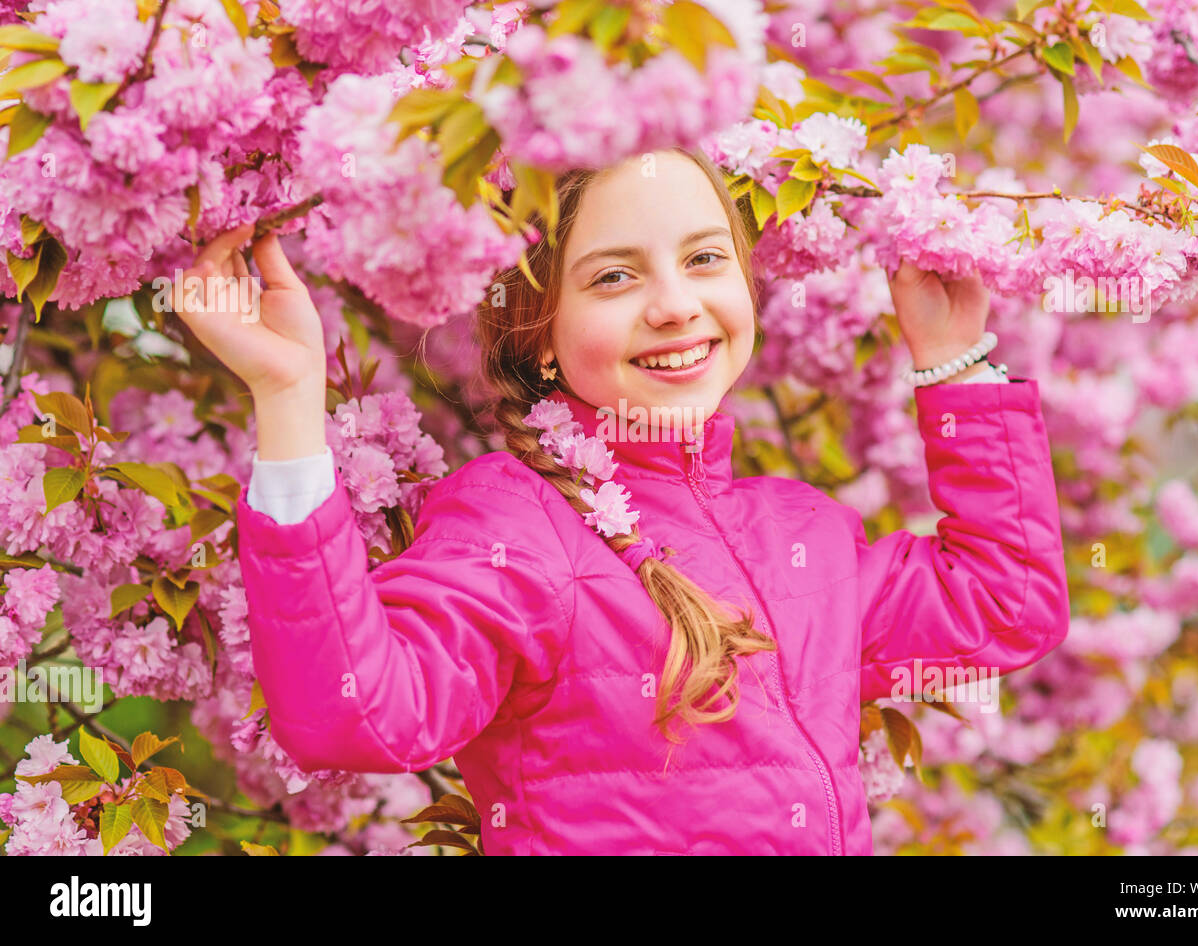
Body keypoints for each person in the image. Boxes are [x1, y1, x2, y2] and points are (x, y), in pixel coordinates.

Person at [174, 146, 1070, 855]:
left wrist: (956, 363)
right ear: (545, 334)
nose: (677, 305)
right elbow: (358, 716)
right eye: (614, 277)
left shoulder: (805, 533)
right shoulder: (514, 526)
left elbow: (1006, 605)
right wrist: (289, 401)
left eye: (705, 259)